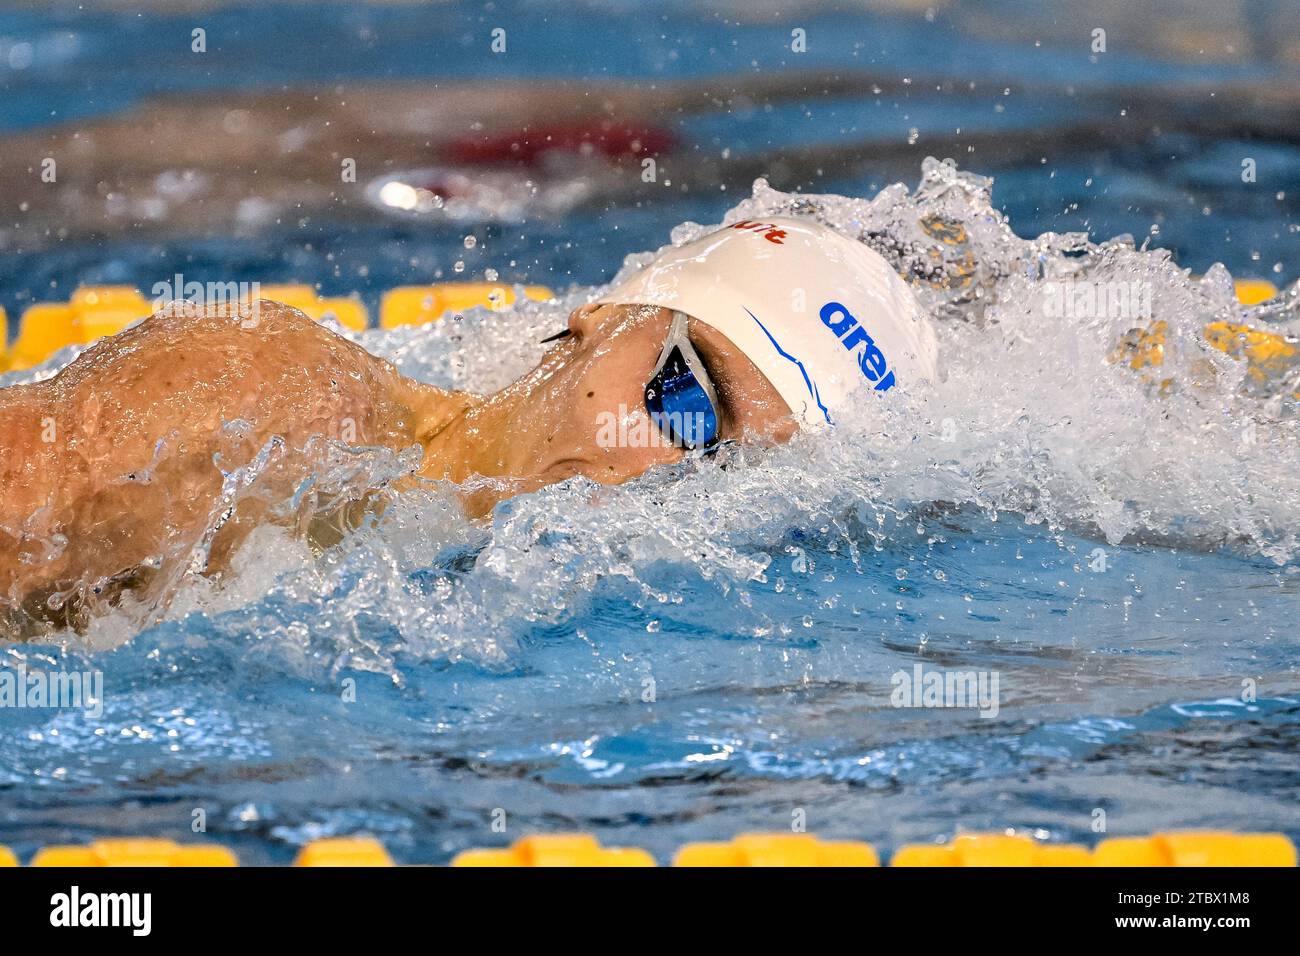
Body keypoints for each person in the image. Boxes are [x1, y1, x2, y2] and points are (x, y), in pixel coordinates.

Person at [0, 217, 938, 634]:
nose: (658, 471)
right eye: (685, 399)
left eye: (729, 475)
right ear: (602, 318)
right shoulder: (271, 403)